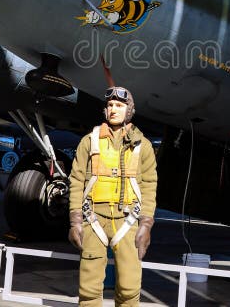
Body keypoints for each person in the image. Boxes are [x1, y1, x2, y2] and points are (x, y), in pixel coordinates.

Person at [68, 86, 157, 306]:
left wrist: (146, 224)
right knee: (88, 290)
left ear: (129, 110)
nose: (113, 109)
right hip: (93, 220)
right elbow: (77, 180)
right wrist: (75, 220)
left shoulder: (142, 146)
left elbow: (149, 186)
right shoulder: (89, 142)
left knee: (129, 289)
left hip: (128, 222)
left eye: (119, 105)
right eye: (110, 105)